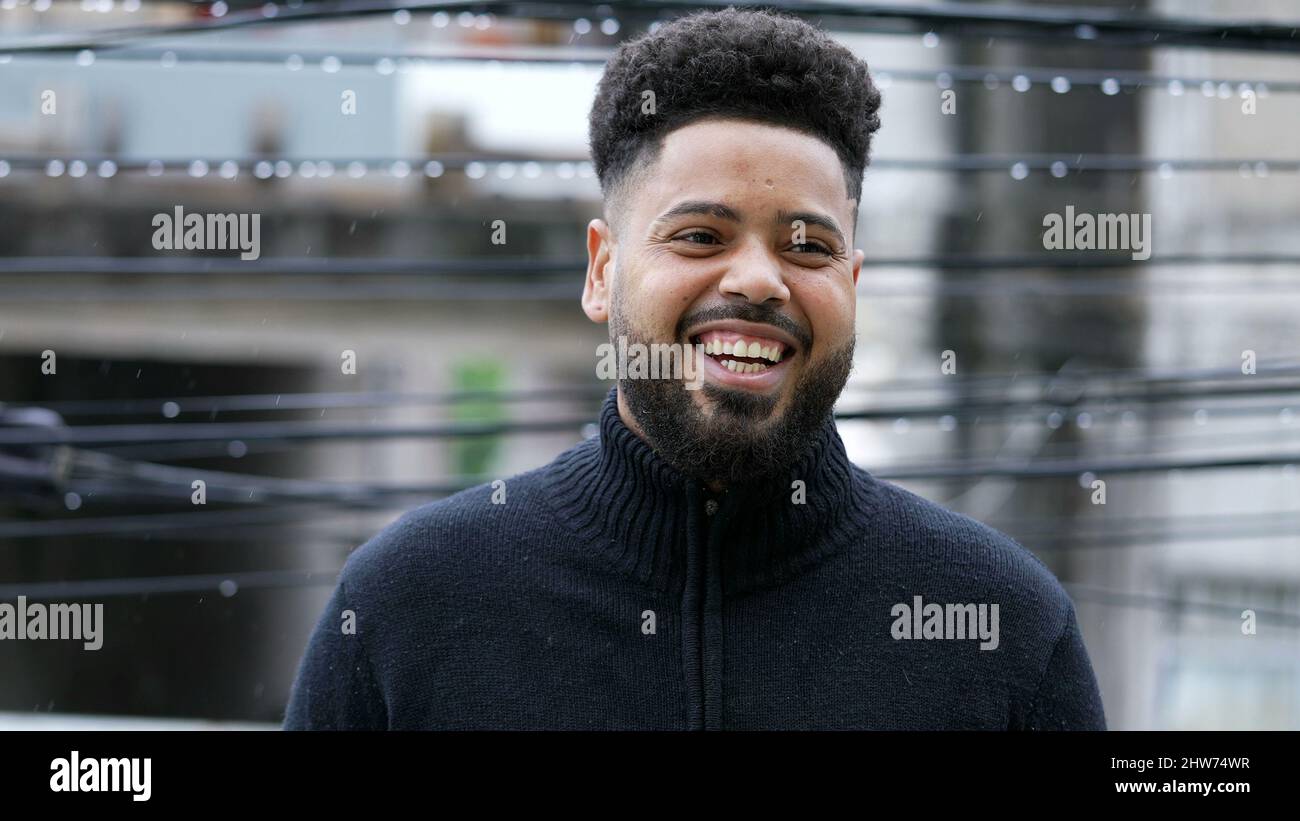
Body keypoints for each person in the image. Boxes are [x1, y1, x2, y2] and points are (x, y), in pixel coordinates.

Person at [284, 6, 1106, 730]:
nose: (758, 279)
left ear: (852, 284)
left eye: (808, 247)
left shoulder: (1005, 627)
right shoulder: (408, 604)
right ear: (601, 272)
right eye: (701, 236)